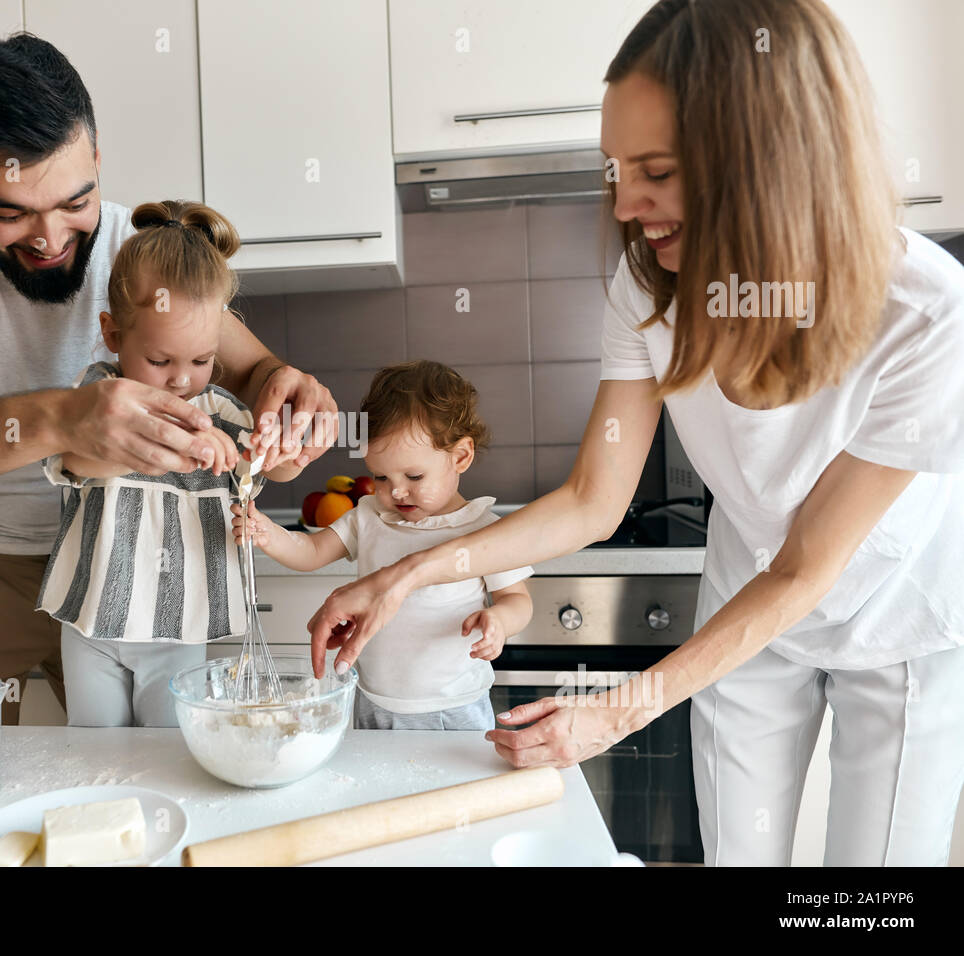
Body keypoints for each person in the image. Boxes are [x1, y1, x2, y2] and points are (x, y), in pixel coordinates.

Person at [306, 0, 964, 865]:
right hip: (745, 593)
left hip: (899, 617)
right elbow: (591, 500)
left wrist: (617, 708)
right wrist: (403, 575)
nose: (626, 203)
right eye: (615, 168)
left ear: (769, 161)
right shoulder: (648, 285)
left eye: (654, 169)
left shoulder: (926, 316)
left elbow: (809, 564)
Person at [0, 34, 335, 724]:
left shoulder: (144, 249)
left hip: (132, 571)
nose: (51, 237)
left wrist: (295, 394)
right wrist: (63, 418)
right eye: (10, 210)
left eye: (75, 201)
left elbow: (255, 370)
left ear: (96, 158)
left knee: (140, 785)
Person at [38, 200, 303, 726]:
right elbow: (73, 460)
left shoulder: (221, 410)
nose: (182, 380)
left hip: (176, 626)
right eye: (160, 361)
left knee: (168, 751)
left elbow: (275, 469)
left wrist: (281, 446)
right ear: (113, 335)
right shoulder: (96, 395)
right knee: (95, 753)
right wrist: (179, 446)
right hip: (93, 621)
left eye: (202, 361)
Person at [234, 361, 532, 730]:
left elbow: (517, 601)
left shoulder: (484, 529)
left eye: (414, 476)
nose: (396, 491)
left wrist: (500, 621)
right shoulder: (369, 516)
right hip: (372, 705)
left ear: (461, 457)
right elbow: (311, 552)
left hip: (455, 710)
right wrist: (267, 533)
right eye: (380, 476)